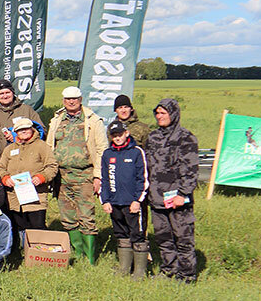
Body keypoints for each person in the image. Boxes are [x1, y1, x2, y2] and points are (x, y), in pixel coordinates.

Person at [46, 86, 108, 264]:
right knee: (68, 217)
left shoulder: (93, 120)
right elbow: (50, 145)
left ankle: (90, 259)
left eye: (74, 99)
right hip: (62, 176)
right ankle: (78, 252)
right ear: (63, 101)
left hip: (84, 175)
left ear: (80, 99)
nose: (71, 102)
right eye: (67, 99)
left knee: (86, 216)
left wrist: (98, 176)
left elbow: (101, 149)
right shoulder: (57, 119)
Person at [145, 98, 199, 283]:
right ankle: (169, 271)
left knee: (183, 239)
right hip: (157, 199)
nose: (159, 116)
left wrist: (182, 194)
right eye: (157, 113)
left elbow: (191, 170)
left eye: (163, 113)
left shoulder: (186, 138)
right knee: (164, 238)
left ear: (173, 114)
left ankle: (187, 275)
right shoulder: (152, 137)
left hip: (177, 199)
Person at [0, 118, 59, 245]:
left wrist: (42, 177)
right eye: (20, 130)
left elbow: (52, 166)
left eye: (26, 128)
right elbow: (0, 168)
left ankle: (40, 253)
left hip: (36, 196)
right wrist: (5, 178)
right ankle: (25, 250)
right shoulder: (10, 149)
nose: (23, 131)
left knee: (37, 226)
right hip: (15, 198)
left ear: (32, 129)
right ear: (16, 132)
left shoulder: (41, 146)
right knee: (21, 226)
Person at [99, 121, 150, 280]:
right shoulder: (108, 154)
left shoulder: (136, 152)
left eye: (120, 134)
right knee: (121, 234)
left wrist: (137, 200)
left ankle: (140, 271)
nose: (117, 138)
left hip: (133, 204)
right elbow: (104, 179)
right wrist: (105, 201)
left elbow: (143, 178)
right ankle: (124, 268)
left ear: (126, 133)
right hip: (114, 203)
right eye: (114, 135)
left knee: (137, 235)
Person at [0, 79, 44, 161]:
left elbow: (42, 132)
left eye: (7, 92)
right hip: (1, 163)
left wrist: (17, 137)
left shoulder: (26, 110)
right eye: (1, 93)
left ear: (13, 93)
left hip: (26, 160)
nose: (5, 96)